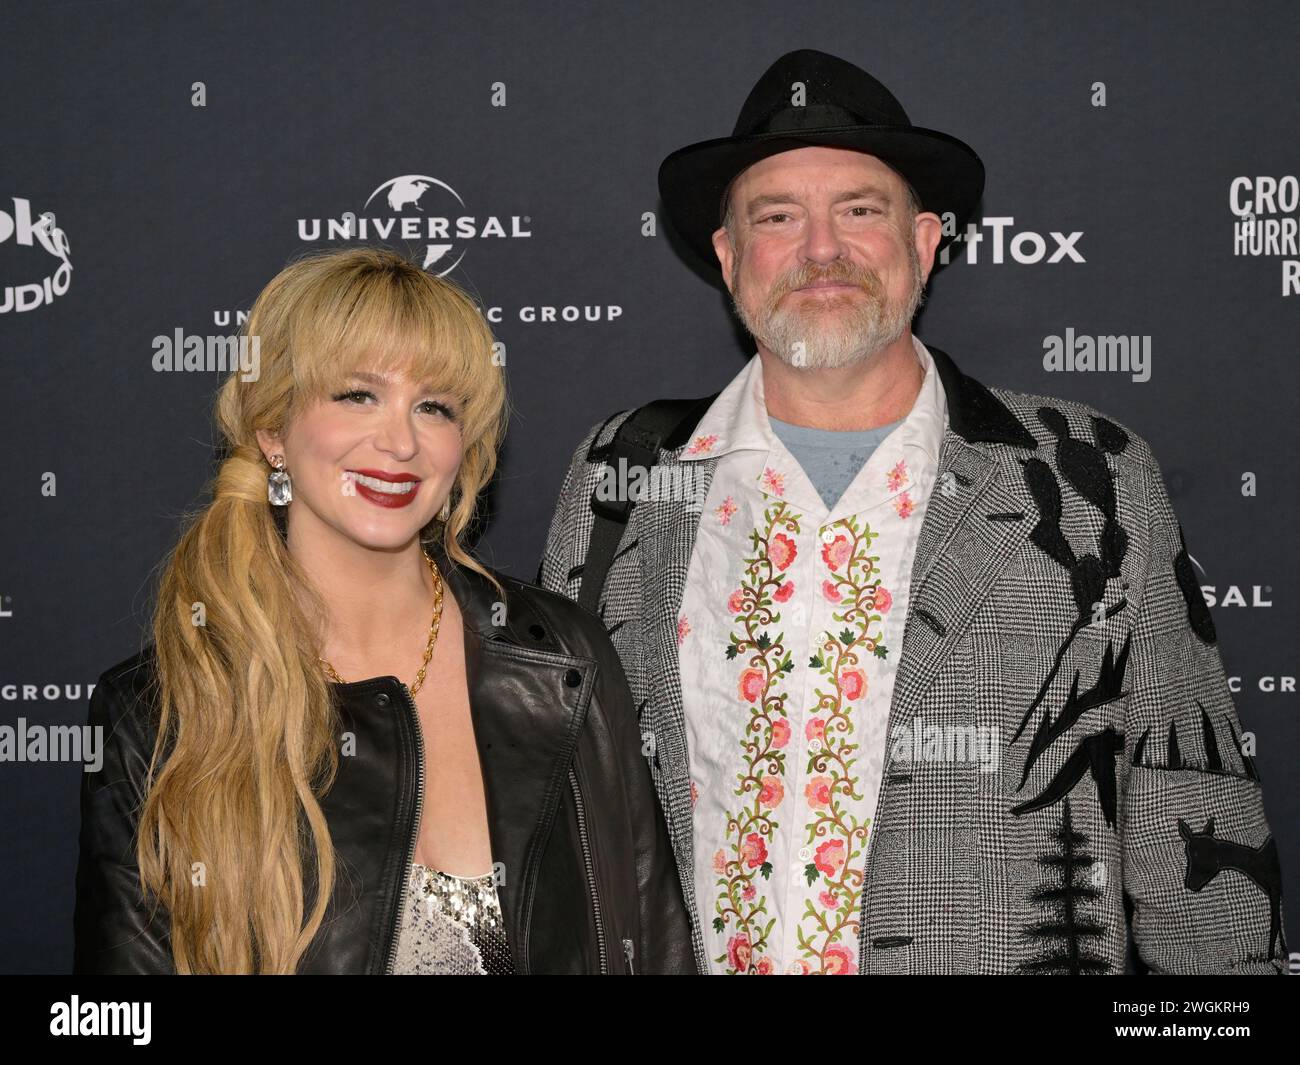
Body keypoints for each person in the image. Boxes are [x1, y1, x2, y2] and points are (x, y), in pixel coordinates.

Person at [540, 49, 1287, 974]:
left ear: (926, 243)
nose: (822, 249)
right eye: (779, 217)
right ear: (731, 259)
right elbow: (557, 811)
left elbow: (1191, 807)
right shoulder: (627, 473)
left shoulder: (1090, 478)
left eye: (860, 210)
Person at [73, 246, 694, 974]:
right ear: (273, 429)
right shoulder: (162, 710)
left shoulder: (563, 654)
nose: (400, 442)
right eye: (357, 395)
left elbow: (654, 944)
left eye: (434, 406)